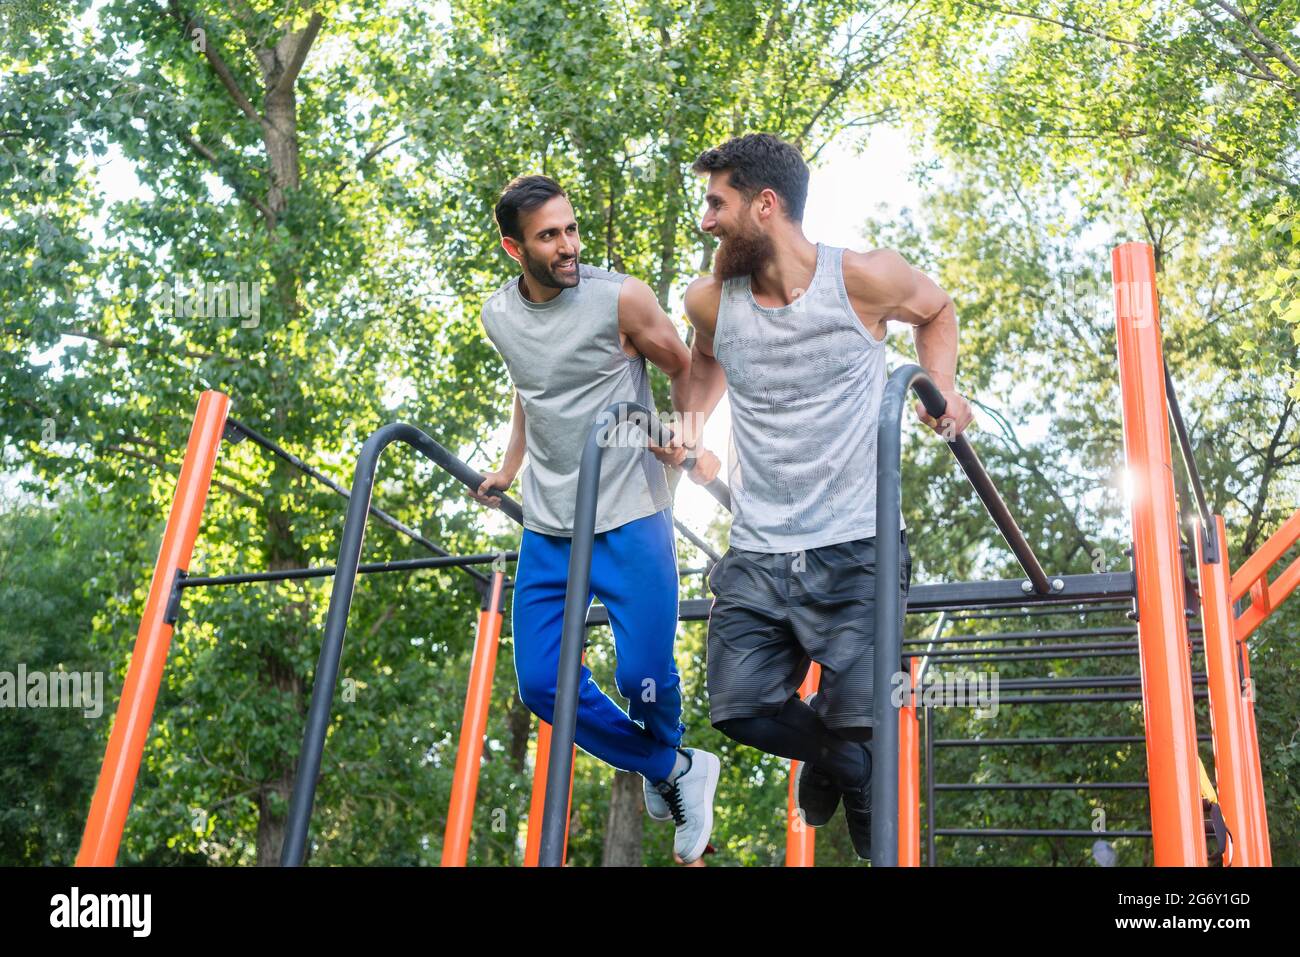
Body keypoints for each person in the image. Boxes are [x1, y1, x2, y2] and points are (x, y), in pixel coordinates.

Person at [677, 133, 974, 860]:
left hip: (856, 542)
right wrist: (689, 428)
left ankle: (853, 768)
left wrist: (945, 388)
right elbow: (706, 363)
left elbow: (936, 311)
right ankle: (837, 758)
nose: (707, 220)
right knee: (739, 706)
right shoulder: (710, 301)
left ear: (766, 205)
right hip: (759, 543)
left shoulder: (864, 278)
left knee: (862, 723)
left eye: (717, 203)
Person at [473, 174, 723, 863]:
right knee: (540, 683)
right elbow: (532, 386)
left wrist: (684, 433)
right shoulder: (498, 315)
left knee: (641, 673)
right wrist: (509, 465)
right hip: (551, 524)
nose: (567, 246)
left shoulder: (621, 297)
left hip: (631, 510)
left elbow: (684, 362)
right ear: (512, 247)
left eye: (571, 229)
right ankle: (671, 767)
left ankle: (664, 757)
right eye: (549, 235)